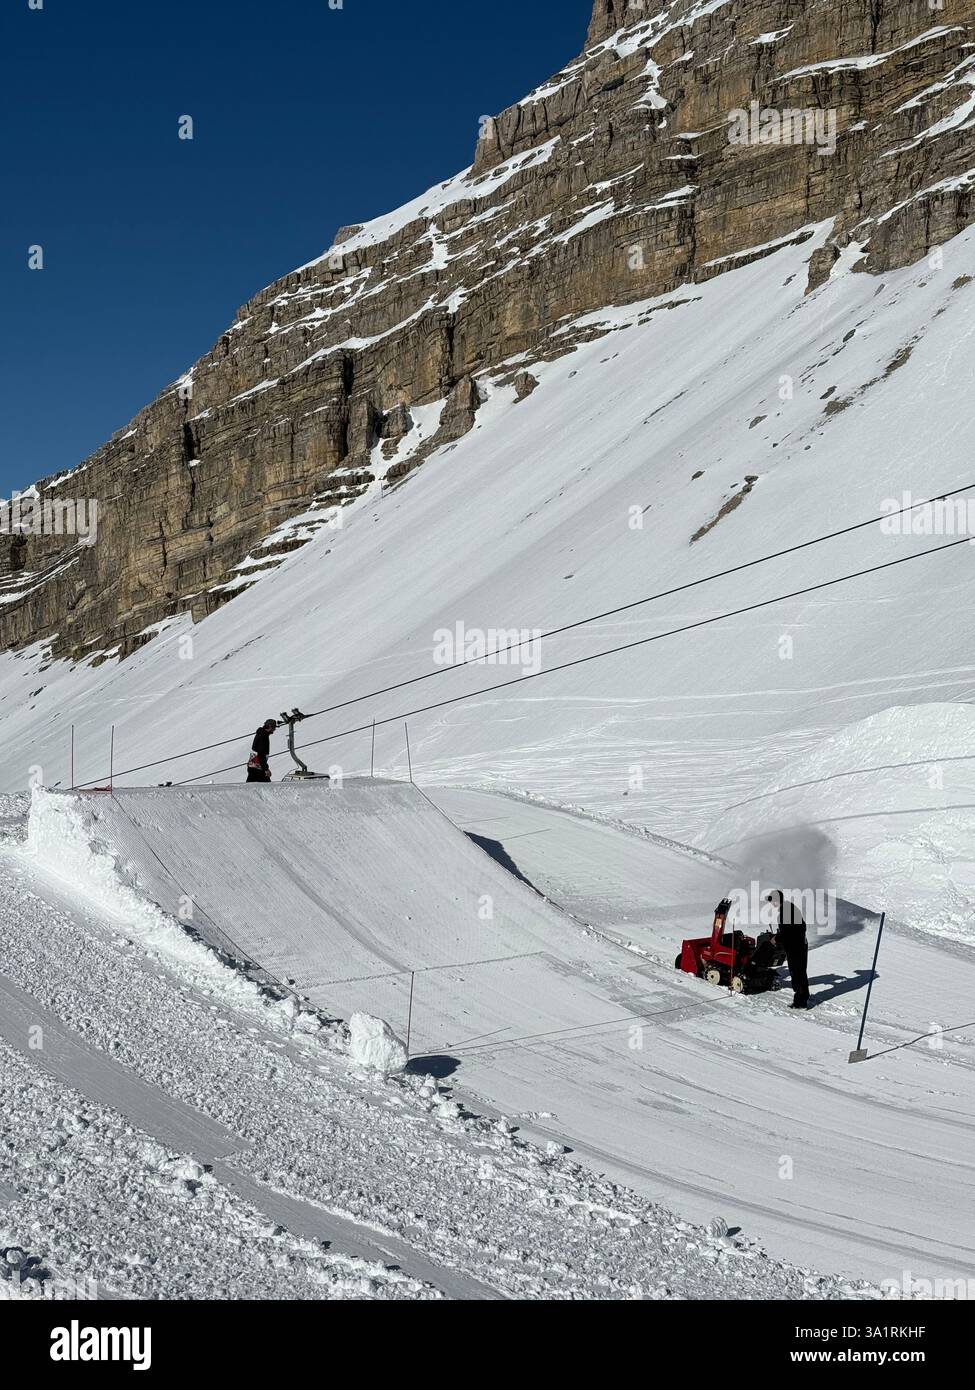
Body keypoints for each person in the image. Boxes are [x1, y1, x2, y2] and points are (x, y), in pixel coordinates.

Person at [766, 890, 810, 1009]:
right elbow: (802, 926)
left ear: (777, 900)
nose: (772, 903)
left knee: (796, 972)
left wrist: (776, 938)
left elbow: (787, 932)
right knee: (801, 971)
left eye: (772, 901)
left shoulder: (785, 912)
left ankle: (800, 1002)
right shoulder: (791, 908)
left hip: (795, 947)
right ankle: (803, 998)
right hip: (801, 944)